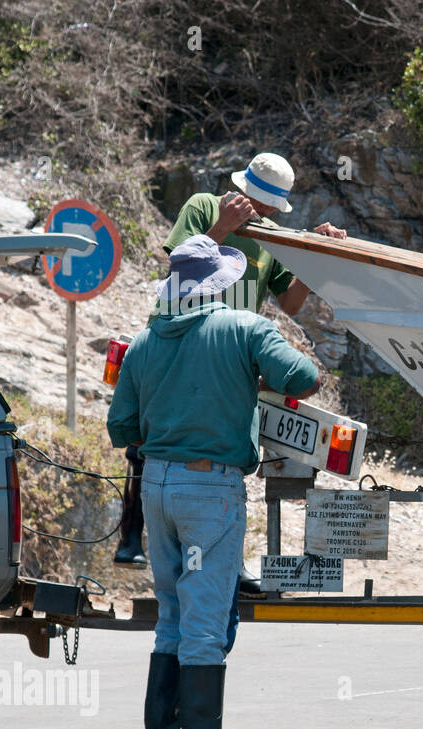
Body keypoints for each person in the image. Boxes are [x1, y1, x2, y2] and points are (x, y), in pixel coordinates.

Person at [108, 235, 322, 729]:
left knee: (173, 614)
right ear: (219, 285)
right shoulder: (243, 328)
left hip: (156, 488)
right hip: (209, 492)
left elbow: (121, 428)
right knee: (204, 616)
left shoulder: (144, 343)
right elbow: (304, 378)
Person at [113, 151, 346, 584]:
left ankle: (226, 563)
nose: (269, 212)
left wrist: (315, 258)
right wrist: (222, 226)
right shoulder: (203, 205)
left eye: (272, 209)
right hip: (175, 339)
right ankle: (132, 541)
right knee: (149, 443)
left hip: (227, 354)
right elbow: (178, 262)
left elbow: (291, 302)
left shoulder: (273, 236)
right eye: (267, 205)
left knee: (230, 452)